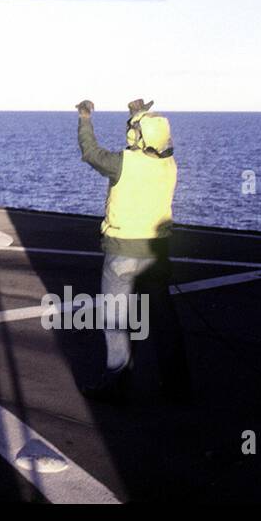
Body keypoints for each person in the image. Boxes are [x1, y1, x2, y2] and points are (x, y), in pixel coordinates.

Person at [75, 98, 192, 403]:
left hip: (123, 253)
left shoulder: (124, 164)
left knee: (116, 322)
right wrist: (137, 115)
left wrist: (85, 118)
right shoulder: (169, 164)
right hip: (157, 254)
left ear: (137, 135)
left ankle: (117, 384)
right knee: (164, 321)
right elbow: (145, 142)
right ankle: (177, 385)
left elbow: (91, 153)